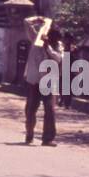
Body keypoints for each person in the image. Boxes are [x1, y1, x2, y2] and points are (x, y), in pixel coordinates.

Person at [22, 16, 62, 146]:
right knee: (30, 110)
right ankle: (29, 133)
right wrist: (38, 19)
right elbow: (26, 22)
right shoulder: (36, 39)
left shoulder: (57, 46)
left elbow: (58, 58)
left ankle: (48, 138)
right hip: (34, 81)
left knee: (50, 110)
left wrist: (48, 47)